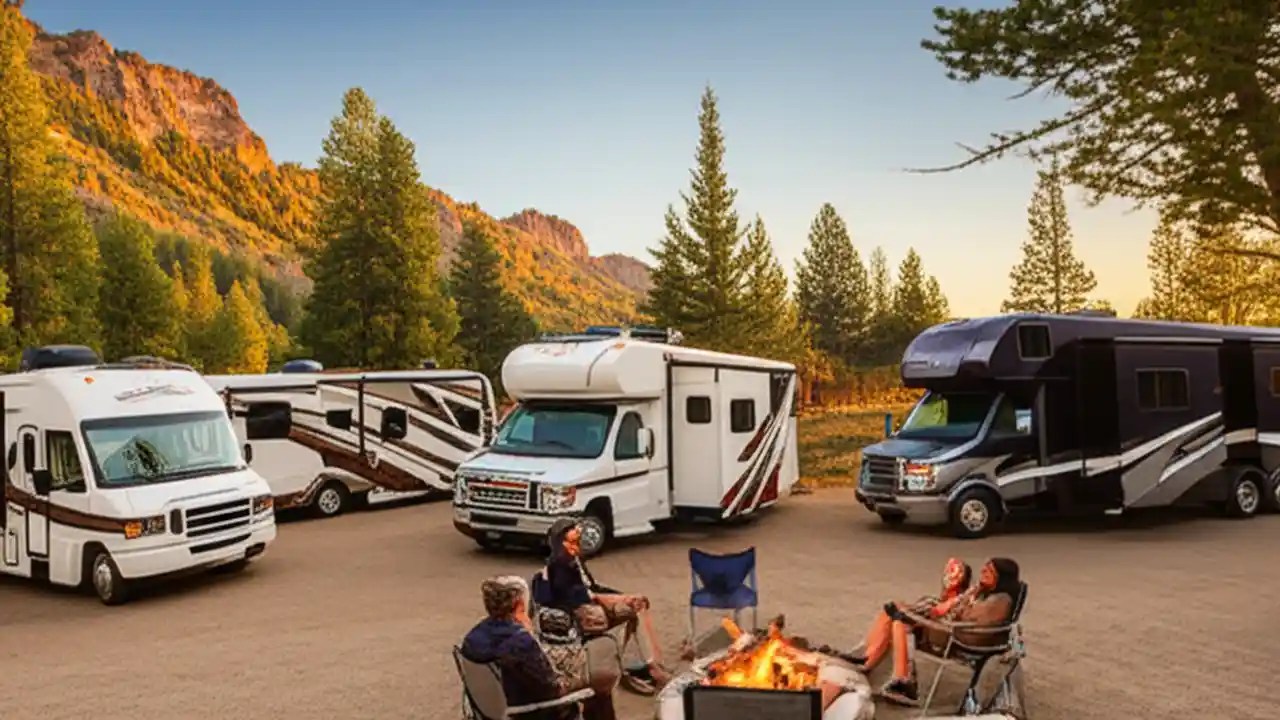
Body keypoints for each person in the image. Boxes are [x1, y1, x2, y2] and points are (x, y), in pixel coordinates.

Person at [539, 518, 672, 693]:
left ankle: (646, 666)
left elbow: (593, 587)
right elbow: (586, 597)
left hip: (591, 607)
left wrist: (621, 597)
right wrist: (621, 599)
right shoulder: (559, 568)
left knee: (637, 605)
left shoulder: (574, 560)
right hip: (581, 616)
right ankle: (653, 669)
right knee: (636, 606)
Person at [461, 575, 619, 720]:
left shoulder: (472, 637)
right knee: (600, 685)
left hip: (492, 704)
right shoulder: (520, 641)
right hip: (529, 709)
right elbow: (551, 688)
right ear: (519, 604)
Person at [876, 558, 1021, 707]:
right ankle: (903, 676)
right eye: (984, 568)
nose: (983, 572)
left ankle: (905, 680)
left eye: (989, 571)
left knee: (904, 623)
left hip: (961, 638)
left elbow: (967, 619)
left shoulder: (1000, 600)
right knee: (906, 618)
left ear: (1001, 577)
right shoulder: (987, 594)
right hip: (958, 631)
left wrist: (964, 603)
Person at [842, 557, 973, 670]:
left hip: (936, 636)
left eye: (952, 574)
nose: (946, 578)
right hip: (925, 626)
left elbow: (942, 616)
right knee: (895, 617)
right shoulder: (940, 600)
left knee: (896, 614)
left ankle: (864, 658)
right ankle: (865, 658)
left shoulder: (959, 602)